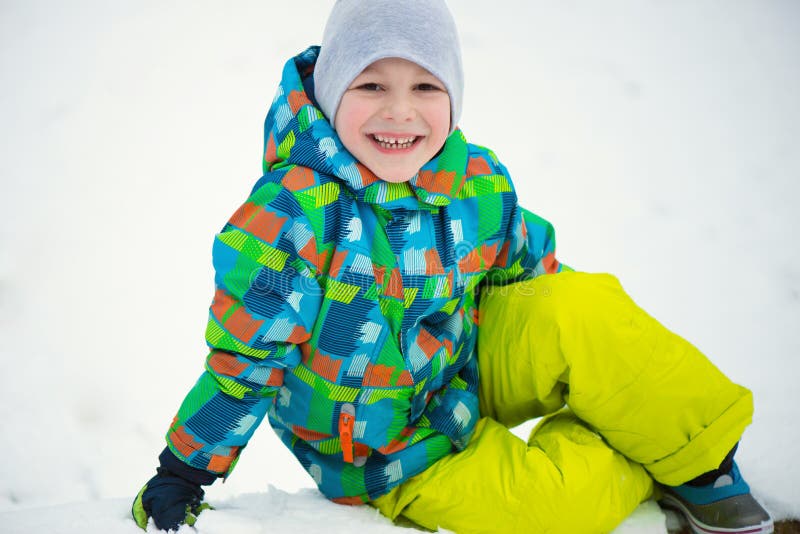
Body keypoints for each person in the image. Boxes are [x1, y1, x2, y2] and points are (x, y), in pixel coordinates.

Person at [132, 1, 774, 532]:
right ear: (331, 94)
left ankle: (700, 461)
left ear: (453, 96)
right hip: (387, 448)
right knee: (560, 505)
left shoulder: (474, 180)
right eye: (371, 85)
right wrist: (183, 469)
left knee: (582, 304)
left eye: (424, 86)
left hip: (464, 363)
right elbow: (246, 356)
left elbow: (534, 285)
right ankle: (635, 456)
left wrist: (584, 345)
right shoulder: (289, 215)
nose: (400, 111)